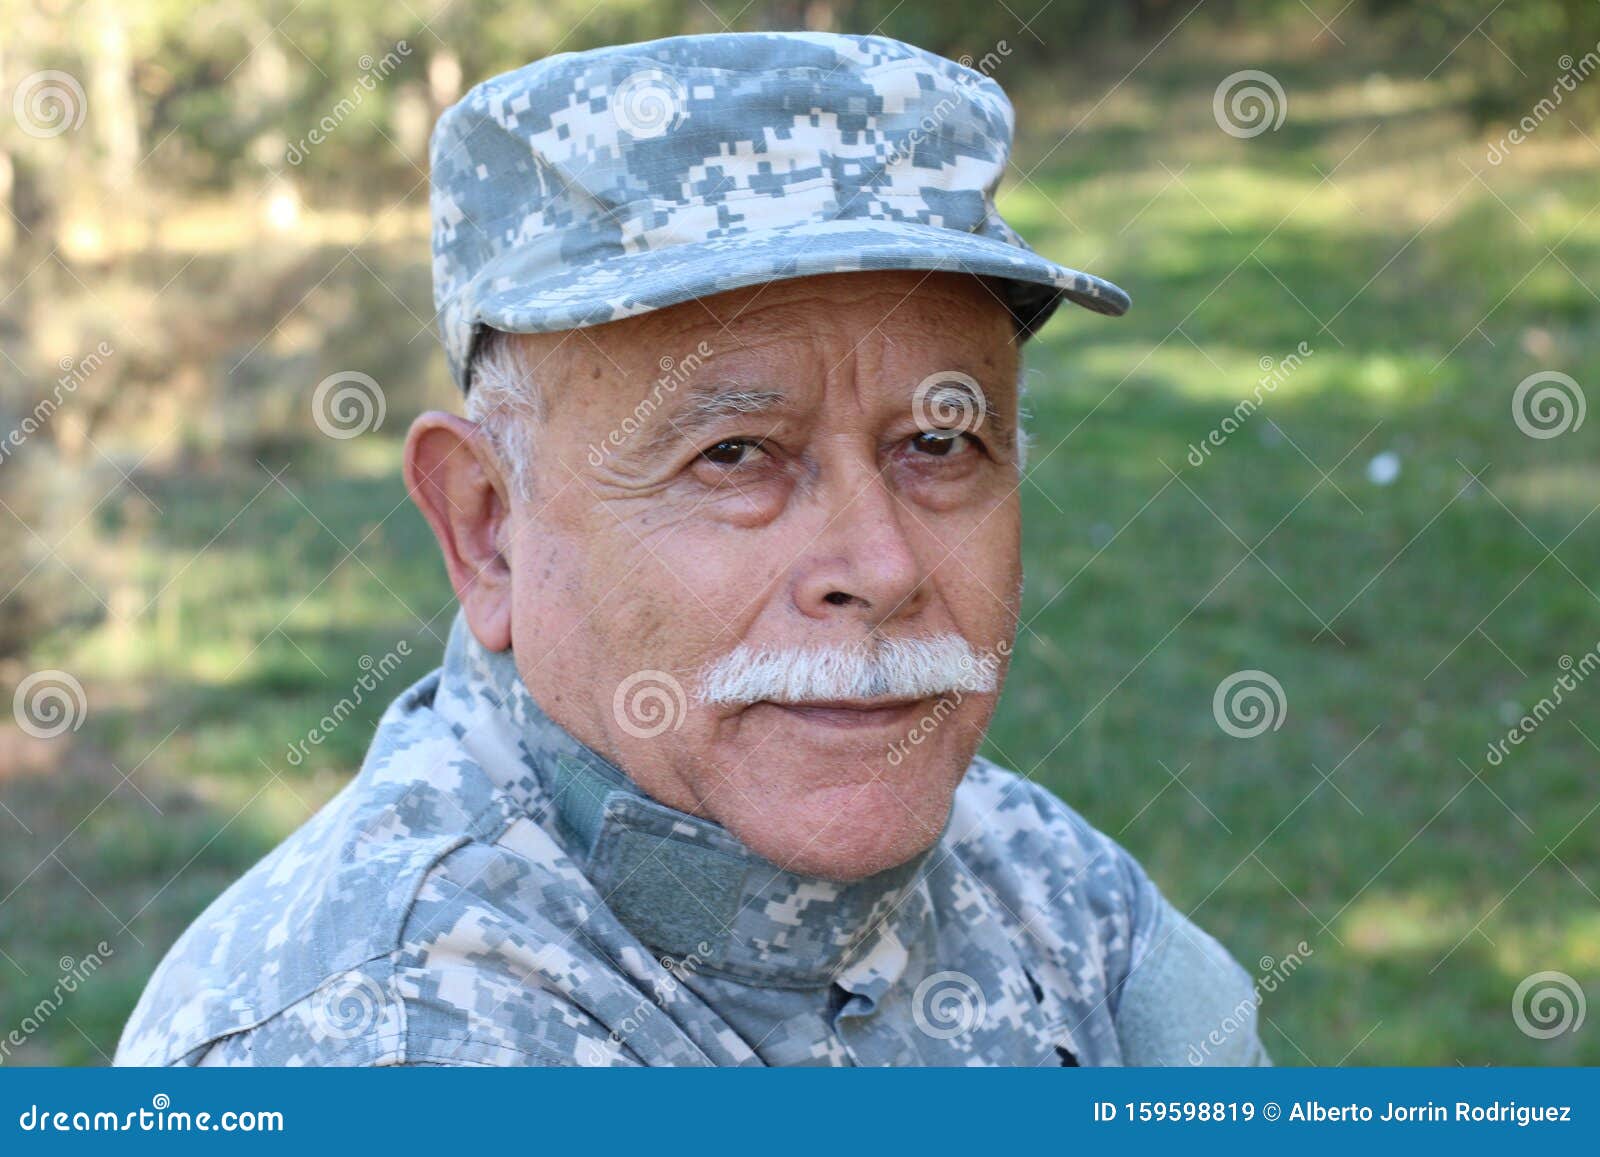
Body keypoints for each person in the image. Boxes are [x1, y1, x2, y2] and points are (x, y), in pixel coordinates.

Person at [116, 31, 1267, 1067]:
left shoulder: (1061, 896)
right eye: (733, 455)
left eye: (938, 442)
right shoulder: (378, 1042)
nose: (881, 567)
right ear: (487, 526)